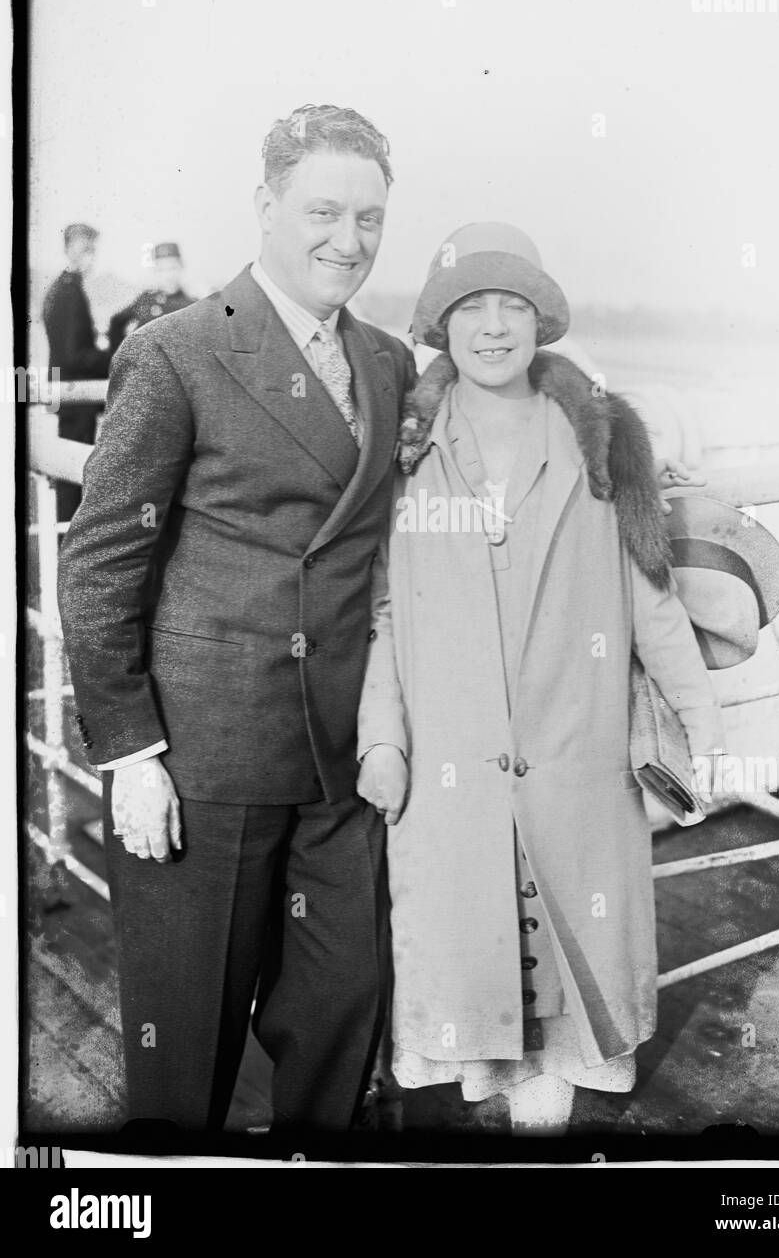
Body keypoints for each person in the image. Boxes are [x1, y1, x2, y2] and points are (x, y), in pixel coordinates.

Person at [57, 105, 415, 1139]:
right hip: (205, 764)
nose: (348, 241)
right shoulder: (174, 353)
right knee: (186, 1056)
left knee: (345, 1017)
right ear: (264, 207)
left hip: (344, 761)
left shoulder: (389, 363)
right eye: (323, 211)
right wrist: (129, 751)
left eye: (370, 219)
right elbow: (100, 558)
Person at [356, 223, 726, 1134]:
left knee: (571, 986)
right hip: (449, 761)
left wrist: (702, 718)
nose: (492, 327)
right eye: (470, 307)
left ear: (540, 321)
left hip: (577, 756)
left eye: (512, 306)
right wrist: (381, 737)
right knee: (469, 970)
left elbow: (653, 598)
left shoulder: (605, 443)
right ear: (440, 326)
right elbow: (382, 612)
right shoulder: (401, 449)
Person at [41, 222, 111, 519]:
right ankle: (67, 546)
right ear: (69, 249)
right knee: (74, 474)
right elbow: (73, 356)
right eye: (85, 250)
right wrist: (113, 354)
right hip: (74, 395)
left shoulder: (62, 287)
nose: (90, 258)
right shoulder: (70, 293)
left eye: (93, 251)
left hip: (65, 393)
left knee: (70, 473)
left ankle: (65, 542)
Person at [107, 243, 194, 355]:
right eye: (161, 270)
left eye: (172, 268)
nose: (168, 275)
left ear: (181, 267)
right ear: (155, 272)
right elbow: (117, 321)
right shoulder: (146, 300)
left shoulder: (190, 306)